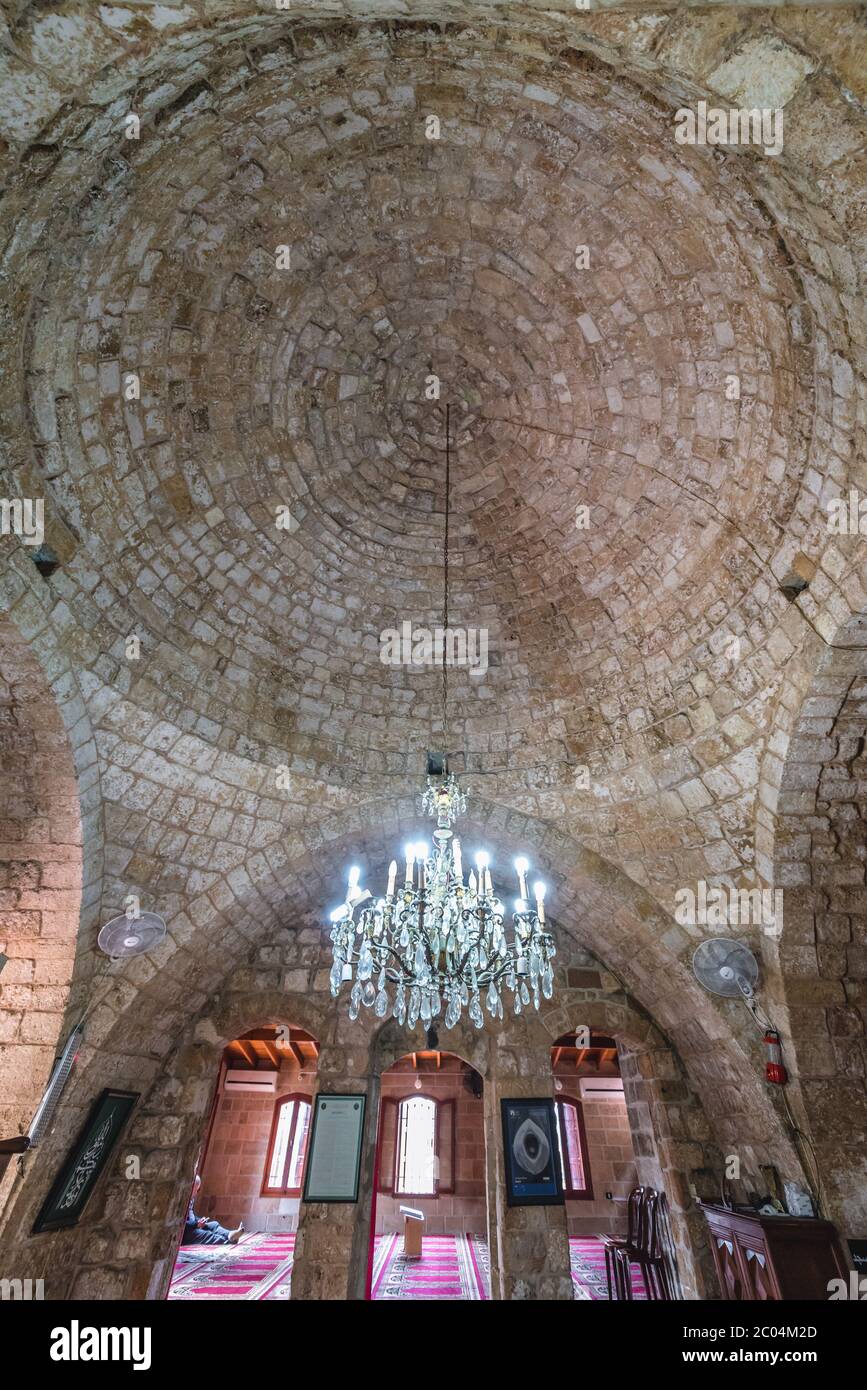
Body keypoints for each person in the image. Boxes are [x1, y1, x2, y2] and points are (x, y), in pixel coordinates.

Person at [182, 1174, 244, 1246]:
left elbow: (191, 1215)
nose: (196, 1193)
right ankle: (228, 1242)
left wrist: (199, 1221)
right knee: (206, 1235)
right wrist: (196, 1224)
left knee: (214, 1225)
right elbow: (181, 1224)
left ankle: (230, 1235)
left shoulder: (190, 1199)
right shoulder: (181, 1202)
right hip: (185, 1233)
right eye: (195, 1190)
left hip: (193, 1226)